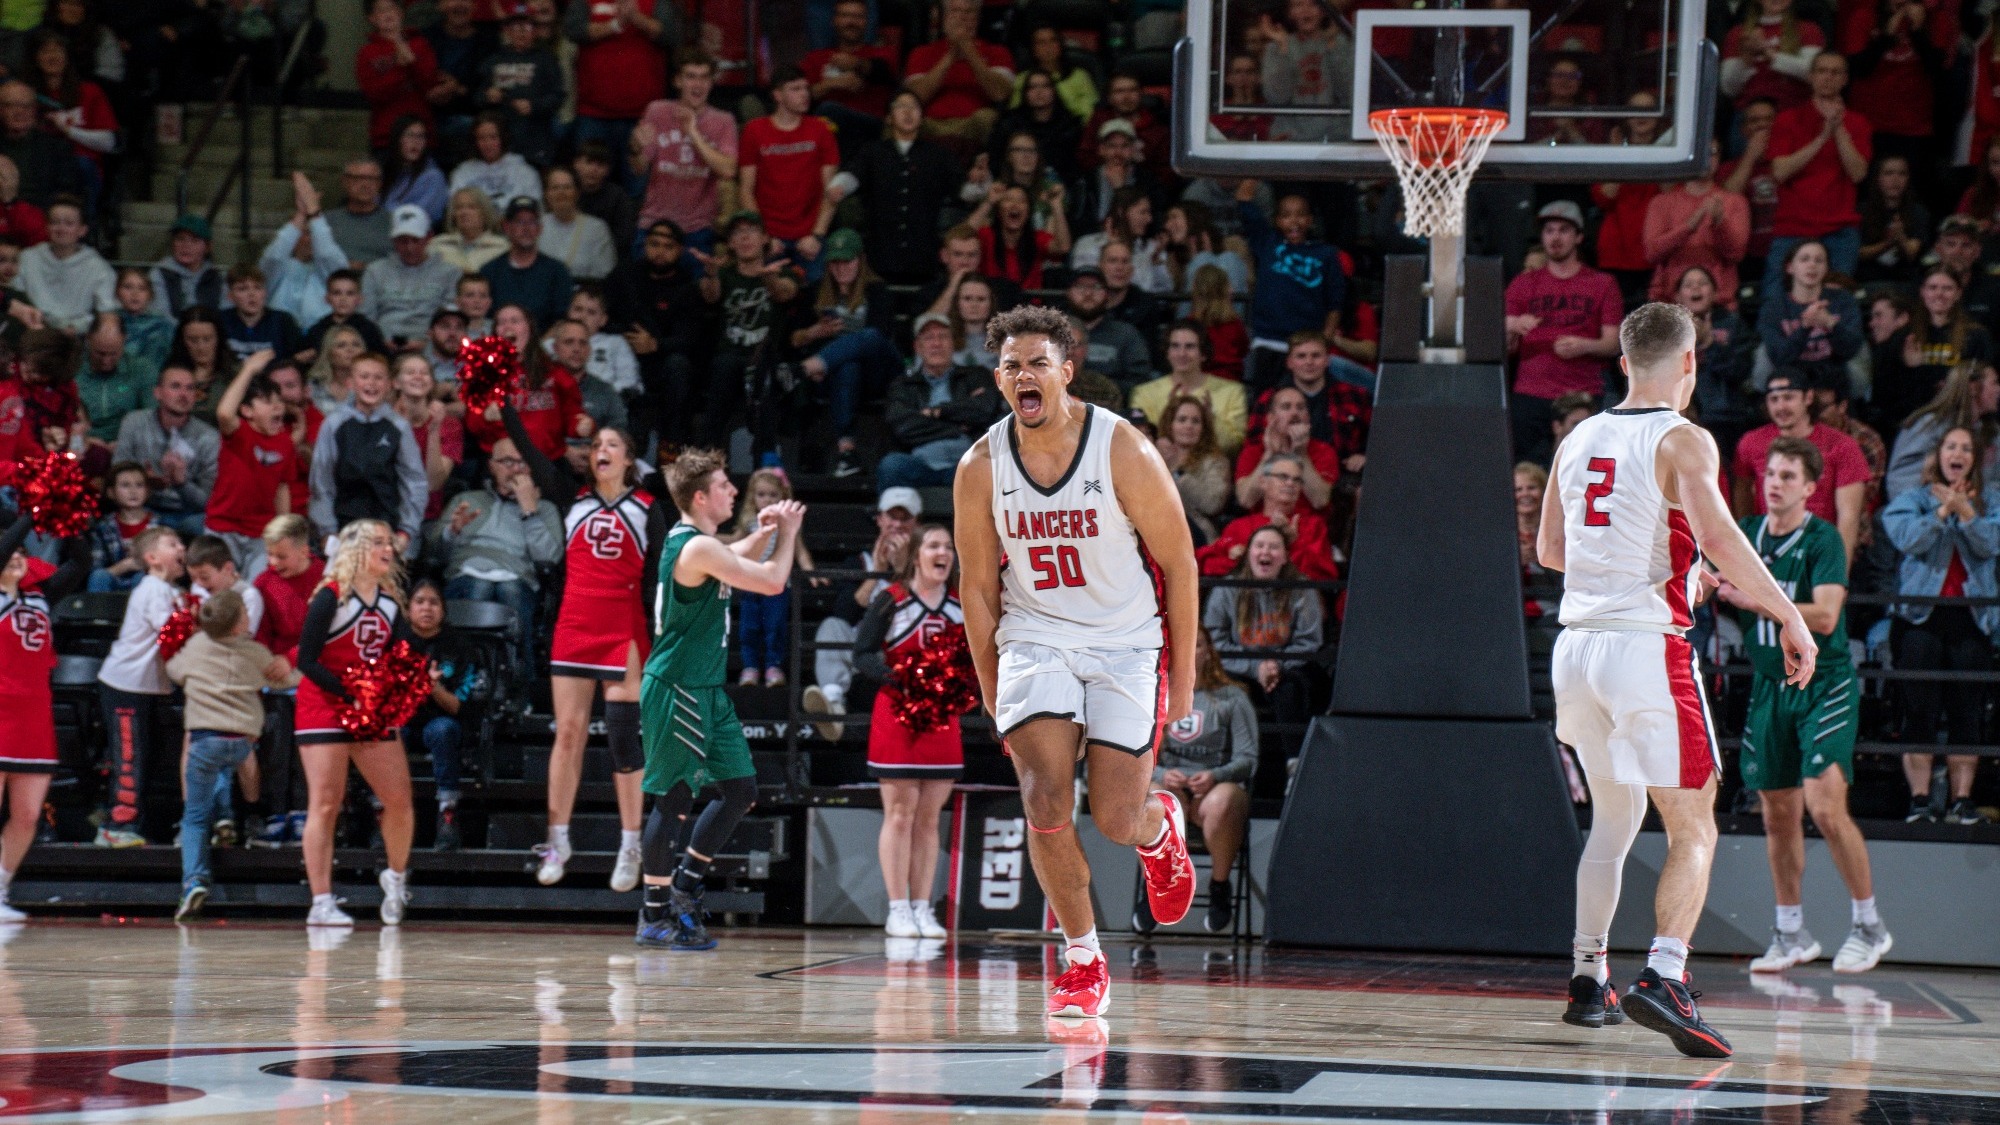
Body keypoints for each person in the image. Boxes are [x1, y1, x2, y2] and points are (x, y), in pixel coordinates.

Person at [1538, 301, 1817, 1058]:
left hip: (1575, 651)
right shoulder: (1684, 437)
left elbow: (1552, 550)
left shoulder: (1577, 435)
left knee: (1615, 822)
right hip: (1643, 651)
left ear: (1623, 362)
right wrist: (1787, 612)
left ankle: (1587, 976)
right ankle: (1666, 973)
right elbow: (1722, 534)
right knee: (1694, 823)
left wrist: (1662, 566)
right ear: (1689, 364)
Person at [953, 304, 1200, 1019]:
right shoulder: (981, 465)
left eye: (1036, 363)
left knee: (1117, 817)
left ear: (1066, 371)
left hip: (1126, 641)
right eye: (1010, 366)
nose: (1023, 375)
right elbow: (975, 585)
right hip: (1036, 636)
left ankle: (1158, 828)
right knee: (1044, 798)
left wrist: (1181, 679)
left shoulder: (1121, 448)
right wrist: (991, 679)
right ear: (998, 380)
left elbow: (1179, 561)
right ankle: (1083, 957)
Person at [1716, 437, 1894, 975]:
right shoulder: (1745, 535)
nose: (1774, 483)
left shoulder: (1822, 541)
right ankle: (1790, 932)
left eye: (1788, 476)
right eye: (1770, 473)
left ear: (1811, 489)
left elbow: (1824, 616)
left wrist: (1753, 600)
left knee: (1824, 806)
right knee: (1776, 815)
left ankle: (1869, 925)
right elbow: (1711, 576)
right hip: (1772, 684)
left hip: (1824, 683)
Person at [635, 449, 805, 951]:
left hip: (706, 688)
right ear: (701, 497)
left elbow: (740, 551)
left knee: (740, 789)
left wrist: (767, 531)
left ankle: (686, 887)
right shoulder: (695, 549)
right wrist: (789, 534)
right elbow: (772, 581)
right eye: (725, 486)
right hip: (677, 687)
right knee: (675, 799)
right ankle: (655, 913)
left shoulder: (705, 545)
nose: (735, 491)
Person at [529, 422, 664, 891]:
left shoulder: (648, 508)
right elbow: (533, 453)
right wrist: (502, 400)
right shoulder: (573, 498)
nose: (601, 451)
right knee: (568, 734)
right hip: (574, 624)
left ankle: (631, 843)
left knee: (624, 739)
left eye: (612, 445)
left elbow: (657, 581)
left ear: (629, 459)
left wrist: (658, 635)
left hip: (623, 626)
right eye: (596, 445)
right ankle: (557, 839)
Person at [293, 520, 418, 927]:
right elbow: (306, 660)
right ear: (356, 550)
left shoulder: (390, 602)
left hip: (368, 708)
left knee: (399, 800)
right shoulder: (330, 598)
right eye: (378, 542)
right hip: (324, 705)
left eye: (389, 543)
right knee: (326, 803)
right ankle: (321, 901)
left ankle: (395, 878)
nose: (388, 549)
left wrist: (407, 683)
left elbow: (400, 657)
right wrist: (352, 693)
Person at [1881, 427, 2000, 826]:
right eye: (1952, 446)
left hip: (1972, 617)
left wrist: (1967, 513)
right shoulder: (1910, 501)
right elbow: (1906, 539)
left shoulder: (1991, 501)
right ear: (1939, 454)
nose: (1959, 453)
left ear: (1976, 458)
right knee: (1919, 710)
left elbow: (1992, 543)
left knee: (1968, 711)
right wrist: (1943, 512)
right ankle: (1919, 800)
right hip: (1920, 616)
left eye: (1967, 448)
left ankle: (1961, 802)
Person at [163, 589, 298, 921]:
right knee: (237, 764)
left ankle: (194, 880)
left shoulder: (196, 646)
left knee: (194, 816)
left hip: (204, 738)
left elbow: (174, 671)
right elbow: (287, 680)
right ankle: (242, 814)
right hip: (241, 739)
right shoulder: (254, 652)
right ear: (239, 624)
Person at [1146, 626, 1258, 934]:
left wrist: (1215, 776)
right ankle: (1155, 883)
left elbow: (1248, 759)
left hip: (1213, 788)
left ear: (1207, 651)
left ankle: (1219, 886)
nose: (1189, 651)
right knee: (1154, 799)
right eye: (1182, 644)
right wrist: (1161, 773)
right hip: (1172, 787)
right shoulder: (1154, 692)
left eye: (1196, 645)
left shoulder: (1232, 697)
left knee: (1225, 799)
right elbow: (1138, 756)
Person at [0, 516, 86, 920]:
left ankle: (0, 889)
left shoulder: (39, 596)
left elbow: (81, 562)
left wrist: (68, 515)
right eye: (11, 554)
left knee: (29, 813)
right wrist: (31, 515)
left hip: (34, 715)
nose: (18, 557)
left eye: (23, 553)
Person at [1505, 200, 1624, 465]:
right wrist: (1513, 325)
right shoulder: (1523, 284)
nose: (1555, 237)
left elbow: (1613, 343)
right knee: (1528, 467)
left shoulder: (1602, 284)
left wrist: (1583, 346)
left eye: (1563, 230)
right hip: (1531, 393)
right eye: (1549, 231)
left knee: (1585, 467)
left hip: (1581, 392)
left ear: (1578, 237)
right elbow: (1499, 339)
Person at [802, 487, 921, 740]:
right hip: (861, 657)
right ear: (879, 519)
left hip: (901, 656)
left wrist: (902, 571)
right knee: (831, 626)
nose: (897, 525)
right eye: (892, 517)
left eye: (904, 518)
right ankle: (833, 705)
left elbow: (920, 612)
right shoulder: (858, 563)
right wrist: (874, 573)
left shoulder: (928, 562)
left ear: (916, 523)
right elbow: (845, 614)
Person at [93, 525, 185, 846]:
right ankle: (117, 826)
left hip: (149, 688)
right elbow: (171, 633)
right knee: (130, 756)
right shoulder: (152, 589)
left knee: (148, 756)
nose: (182, 548)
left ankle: (130, 820)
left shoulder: (171, 592)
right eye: (173, 543)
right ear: (153, 558)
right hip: (125, 685)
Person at [1732, 369, 1871, 558]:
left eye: (1788, 397)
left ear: (1808, 398)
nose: (1781, 407)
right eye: (1774, 399)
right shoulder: (1751, 443)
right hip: (1768, 551)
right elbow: (1742, 493)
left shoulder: (1842, 446)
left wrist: (1838, 572)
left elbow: (1849, 517)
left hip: (1819, 549)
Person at [1764, 51, 1870, 293]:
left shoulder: (1857, 123)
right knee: (1776, 298)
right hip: (1793, 226)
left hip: (1840, 229)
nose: (1828, 77)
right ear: (1811, 77)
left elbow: (1858, 173)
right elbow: (1780, 171)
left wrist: (1838, 128)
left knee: (1837, 304)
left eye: (1835, 72)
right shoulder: (1788, 120)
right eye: (1822, 71)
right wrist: (1823, 137)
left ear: (1845, 79)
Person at [1203, 519, 1326, 726]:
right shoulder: (1226, 589)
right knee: (1223, 686)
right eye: (1259, 546)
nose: (1265, 552)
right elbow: (1214, 641)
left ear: (1285, 557)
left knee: (1291, 687)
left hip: (1286, 668)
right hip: (1238, 667)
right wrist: (1255, 667)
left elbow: (1309, 641)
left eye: (1274, 547)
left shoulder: (1302, 589)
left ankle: (1294, 758)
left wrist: (1276, 666)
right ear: (1249, 553)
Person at [308, 352, 427, 550]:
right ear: (350, 383)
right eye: (364, 377)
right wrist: (327, 532)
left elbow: (414, 481)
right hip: (344, 527)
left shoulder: (399, 426)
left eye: (378, 377)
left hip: (388, 526)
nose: (371, 383)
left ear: (389, 384)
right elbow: (321, 482)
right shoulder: (334, 424)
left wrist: (406, 531)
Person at [1236, 181, 1344, 393]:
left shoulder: (1326, 254)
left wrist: (1325, 338)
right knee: (1267, 402)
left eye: (1300, 215)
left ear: (1310, 220)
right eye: (1286, 215)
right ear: (1277, 221)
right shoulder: (1268, 243)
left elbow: (1335, 301)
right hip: (1269, 341)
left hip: (1307, 345)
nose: (1293, 221)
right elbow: (1244, 198)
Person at [878, 312, 1005, 490]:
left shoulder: (976, 375)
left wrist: (936, 412)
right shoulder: (904, 385)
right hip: (920, 463)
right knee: (892, 465)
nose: (936, 343)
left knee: (992, 467)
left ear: (953, 344)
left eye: (943, 336)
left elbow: (984, 410)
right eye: (929, 338)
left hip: (966, 462)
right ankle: (896, 518)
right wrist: (956, 427)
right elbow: (903, 426)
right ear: (917, 347)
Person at [739, 67, 840, 283]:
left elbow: (831, 191)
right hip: (770, 235)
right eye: (795, 89)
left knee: (815, 298)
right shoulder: (754, 130)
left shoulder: (820, 130)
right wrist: (763, 237)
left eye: (806, 88)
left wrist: (817, 236)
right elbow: (746, 190)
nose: (804, 94)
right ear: (777, 95)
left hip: (810, 235)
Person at [632, 52, 737, 253]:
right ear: (678, 81)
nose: (698, 84)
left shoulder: (723, 121)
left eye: (704, 77)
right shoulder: (657, 111)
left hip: (697, 228)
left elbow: (728, 170)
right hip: (654, 223)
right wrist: (636, 147)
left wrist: (693, 132)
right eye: (691, 77)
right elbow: (639, 167)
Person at [209, 351, 295, 575]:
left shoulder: (285, 441)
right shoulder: (240, 434)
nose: (278, 407)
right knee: (221, 592)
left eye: (280, 402)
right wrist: (248, 370)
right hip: (223, 528)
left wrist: (283, 528)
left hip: (260, 533)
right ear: (247, 411)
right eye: (268, 402)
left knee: (256, 591)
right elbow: (225, 413)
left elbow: (282, 486)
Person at [1876, 268, 1994, 430]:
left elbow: (1982, 386)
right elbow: (1885, 392)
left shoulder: (1976, 336)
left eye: (1947, 288)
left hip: (1961, 422)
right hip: (1912, 423)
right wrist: (1914, 370)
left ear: (1958, 293)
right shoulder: (1904, 337)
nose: (1939, 294)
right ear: (1923, 292)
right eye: (1933, 288)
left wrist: (1922, 368)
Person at [112, 365, 218, 537]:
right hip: (141, 508)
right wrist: (144, 481)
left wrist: (181, 484)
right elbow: (115, 474)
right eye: (175, 386)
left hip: (186, 514)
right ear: (157, 393)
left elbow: (209, 503)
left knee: (200, 525)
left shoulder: (209, 437)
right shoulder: (134, 423)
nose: (184, 394)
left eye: (190, 388)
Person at [1200, 453, 1339, 581]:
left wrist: (1294, 543)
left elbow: (1323, 577)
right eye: (1283, 477)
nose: (1290, 483)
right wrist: (1239, 557)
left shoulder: (1314, 526)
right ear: (1263, 482)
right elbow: (1206, 565)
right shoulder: (1238, 526)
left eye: (1297, 480)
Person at [1643, 143, 1751, 306]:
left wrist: (1720, 223)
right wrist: (1690, 226)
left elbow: (1736, 253)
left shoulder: (1735, 202)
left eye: (1711, 152)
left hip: (1719, 301)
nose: (1705, 158)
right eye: (1698, 152)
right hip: (1669, 299)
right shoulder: (1661, 202)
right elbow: (1652, 253)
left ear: (1719, 158)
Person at [901, 0, 1013, 150]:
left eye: (968, 12)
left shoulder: (998, 52)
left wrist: (967, 48)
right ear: (945, 18)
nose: (962, 17)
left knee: (988, 118)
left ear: (977, 18)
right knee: (898, 119)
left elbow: (1000, 94)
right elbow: (915, 97)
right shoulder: (921, 53)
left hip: (975, 125)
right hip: (931, 124)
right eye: (955, 11)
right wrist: (951, 54)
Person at [1755, 239, 1863, 390]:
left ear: (1826, 268)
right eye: (1804, 259)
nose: (1812, 265)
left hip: (1834, 381)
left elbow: (1852, 349)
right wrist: (1805, 327)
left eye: (1819, 260)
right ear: (1790, 267)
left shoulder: (1842, 299)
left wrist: (1830, 324)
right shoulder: (1773, 308)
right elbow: (1779, 357)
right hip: (1791, 384)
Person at [1884, 362, 2000, 502]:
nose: (1998, 389)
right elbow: (1900, 481)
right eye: (1994, 383)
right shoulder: (1928, 426)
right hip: (1928, 514)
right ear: (1973, 387)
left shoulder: (1992, 432)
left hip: (1978, 515)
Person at [1130, 322, 1248, 456]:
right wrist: (1169, 414)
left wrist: (1210, 419)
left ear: (1203, 354)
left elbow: (1234, 445)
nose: (1182, 353)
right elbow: (1139, 441)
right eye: (1175, 346)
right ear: (1167, 352)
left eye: (1190, 347)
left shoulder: (1232, 391)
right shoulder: (1144, 393)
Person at [478, 3, 563, 168]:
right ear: (507, 30)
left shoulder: (546, 59)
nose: (521, 31)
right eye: (516, 26)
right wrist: (488, 95)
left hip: (535, 136)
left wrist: (534, 106)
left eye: (527, 26)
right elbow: (477, 96)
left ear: (536, 30)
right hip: (501, 138)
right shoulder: (494, 60)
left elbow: (558, 96)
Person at [362, 207, 462, 347]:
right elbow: (366, 317)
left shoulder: (450, 273)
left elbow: (451, 319)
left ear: (429, 237)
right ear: (393, 240)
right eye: (403, 241)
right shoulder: (375, 271)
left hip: (432, 345)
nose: (410, 248)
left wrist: (427, 343)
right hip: (383, 345)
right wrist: (380, 342)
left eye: (416, 240)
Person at [17, 194, 111, 333]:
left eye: (69, 223)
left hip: (79, 335)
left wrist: (75, 329)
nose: (61, 229)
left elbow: (107, 312)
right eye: (55, 222)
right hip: (31, 331)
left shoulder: (98, 267)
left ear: (82, 230)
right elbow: (15, 299)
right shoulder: (27, 258)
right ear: (46, 227)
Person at [355, 0, 437, 153]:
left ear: (400, 13)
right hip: (386, 136)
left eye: (392, 8)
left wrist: (412, 63)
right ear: (372, 18)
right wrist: (400, 68)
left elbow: (429, 84)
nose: (387, 14)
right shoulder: (367, 53)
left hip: (420, 133)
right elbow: (374, 93)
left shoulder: (420, 44)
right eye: (381, 10)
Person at [481, 196, 574, 328]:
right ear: (507, 227)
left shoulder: (557, 272)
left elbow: (562, 319)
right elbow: (484, 319)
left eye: (532, 222)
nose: (526, 228)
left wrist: (538, 346)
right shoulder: (490, 271)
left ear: (540, 228)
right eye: (519, 222)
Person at [1154, 393, 1232, 542]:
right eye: (1182, 420)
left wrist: (1177, 472)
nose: (1188, 426)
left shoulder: (1215, 462)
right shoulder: (1153, 455)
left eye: (1195, 421)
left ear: (1204, 428)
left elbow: (1212, 504)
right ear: (1170, 424)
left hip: (1197, 535)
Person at [450, 113, 545, 210]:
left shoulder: (524, 171)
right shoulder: (463, 173)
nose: (488, 144)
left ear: (503, 138)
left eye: (493, 137)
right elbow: (455, 207)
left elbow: (535, 208)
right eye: (482, 138)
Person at [538, 165, 615, 280]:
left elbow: (605, 272)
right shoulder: (535, 225)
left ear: (577, 193)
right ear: (546, 194)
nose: (561, 192)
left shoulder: (596, 229)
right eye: (555, 188)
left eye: (567, 187)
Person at [148, 213, 227, 318]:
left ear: (208, 247)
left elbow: (225, 314)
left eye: (195, 241)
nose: (186, 246)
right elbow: (161, 315)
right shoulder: (159, 274)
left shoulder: (217, 277)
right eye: (180, 239)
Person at [324, 158, 394, 269]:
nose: (365, 184)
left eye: (372, 179)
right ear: (345, 181)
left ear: (380, 184)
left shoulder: (394, 223)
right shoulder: (325, 222)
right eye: (358, 178)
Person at [383, 117, 450, 228]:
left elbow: (420, 216)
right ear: (397, 139)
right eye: (410, 135)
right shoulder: (387, 172)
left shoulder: (433, 177)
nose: (416, 141)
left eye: (421, 136)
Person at [430, 187, 510, 274]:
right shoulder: (437, 245)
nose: (464, 212)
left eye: (472, 207)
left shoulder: (503, 248)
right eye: (459, 208)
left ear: (484, 212)